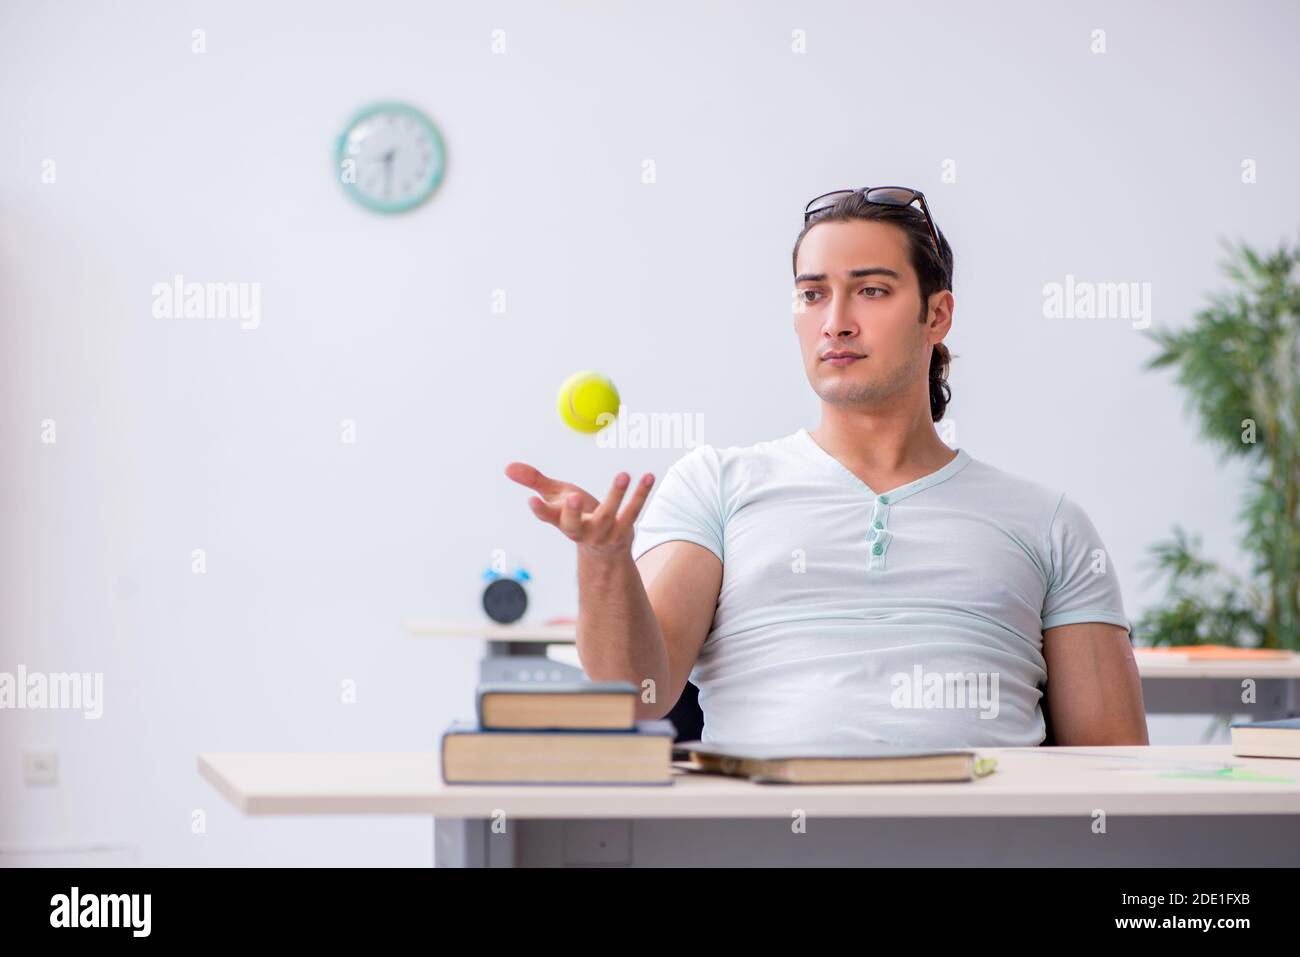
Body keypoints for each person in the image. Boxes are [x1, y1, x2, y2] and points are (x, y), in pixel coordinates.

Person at [506, 187, 1148, 748]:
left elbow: (1113, 766)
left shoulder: (1049, 522)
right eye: (814, 294)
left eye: (871, 290)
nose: (836, 323)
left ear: (937, 314)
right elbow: (638, 694)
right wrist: (603, 563)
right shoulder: (715, 486)